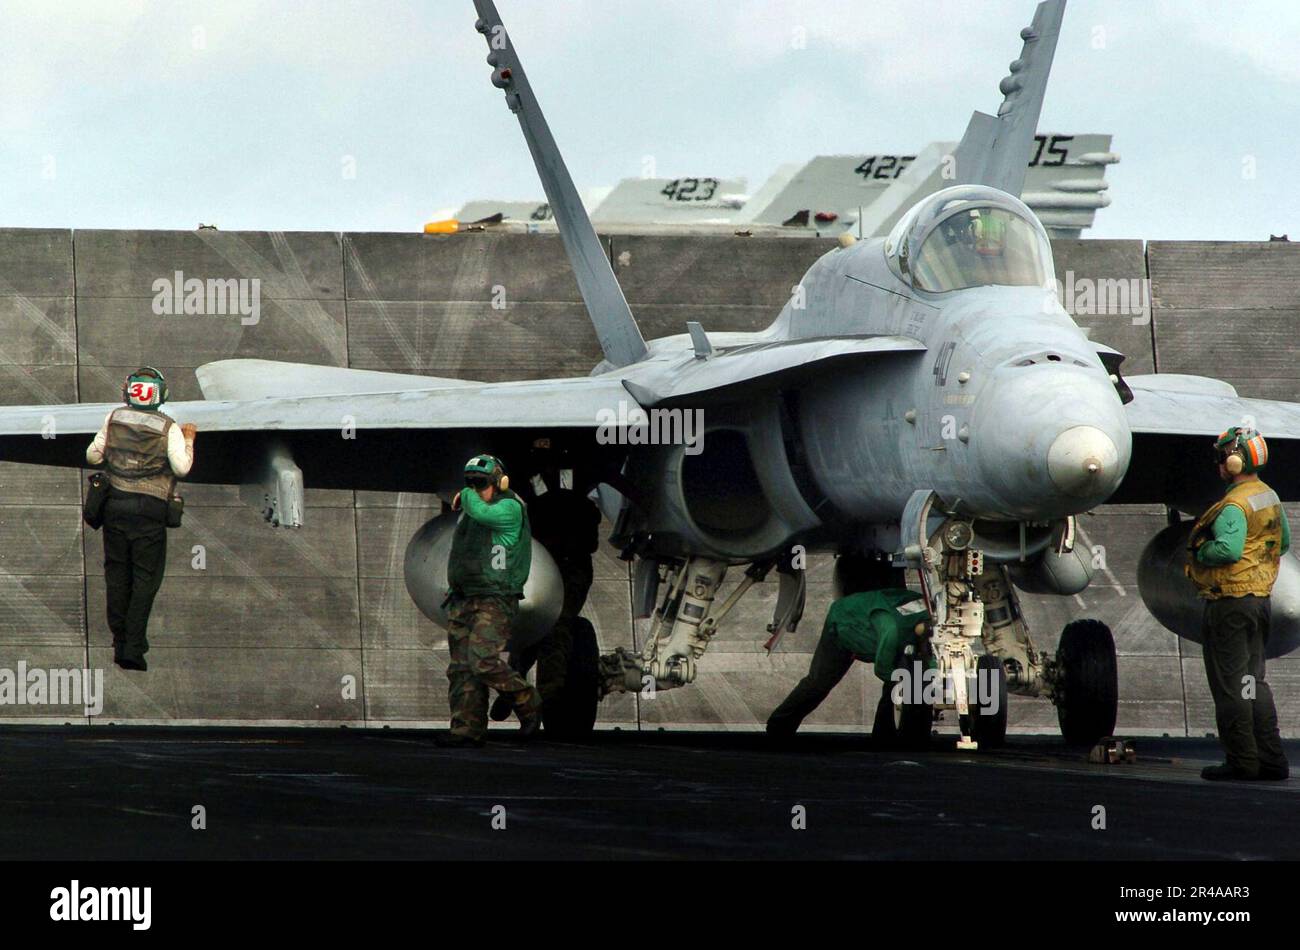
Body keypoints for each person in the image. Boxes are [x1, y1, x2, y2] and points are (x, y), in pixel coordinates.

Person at [1187, 426, 1291, 782]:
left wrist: (1203, 550)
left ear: (1234, 462)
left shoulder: (1234, 504)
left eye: (1222, 457)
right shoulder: (1268, 496)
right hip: (1259, 601)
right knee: (1253, 682)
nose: (1219, 463)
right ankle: (1272, 760)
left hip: (1230, 602)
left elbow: (1228, 550)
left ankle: (1242, 762)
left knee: (1231, 685)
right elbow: (1284, 543)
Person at [85, 367, 195, 671]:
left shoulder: (114, 418)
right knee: (145, 580)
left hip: (115, 507)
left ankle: (120, 640)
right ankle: (132, 647)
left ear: (128, 392)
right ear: (162, 394)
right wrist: (188, 441)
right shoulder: (167, 427)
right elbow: (182, 468)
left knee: (117, 576)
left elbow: (93, 457)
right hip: (150, 511)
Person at [489, 438, 601, 729]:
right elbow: (591, 543)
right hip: (562, 567)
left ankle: (524, 692)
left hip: (552, 566)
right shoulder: (579, 505)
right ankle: (535, 696)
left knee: (543, 627)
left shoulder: (538, 501)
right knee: (552, 628)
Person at [439, 454, 543, 748]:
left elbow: (484, 515)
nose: (474, 488)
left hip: (495, 597)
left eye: (480, 483)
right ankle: (466, 730)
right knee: (461, 668)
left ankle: (526, 699)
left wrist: (465, 495)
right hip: (464, 596)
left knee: (482, 661)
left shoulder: (509, 507)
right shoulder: (471, 511)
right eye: (470, 482)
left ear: (500, 482)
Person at [767, 587, 932, 738]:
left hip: (875, 625)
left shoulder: (930, 614)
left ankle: (886, 738)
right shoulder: (893, 630)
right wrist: (907, 685)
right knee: (819, 682)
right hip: (845, 624)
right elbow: (882, 669)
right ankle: (778, 727)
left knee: (909, 676)